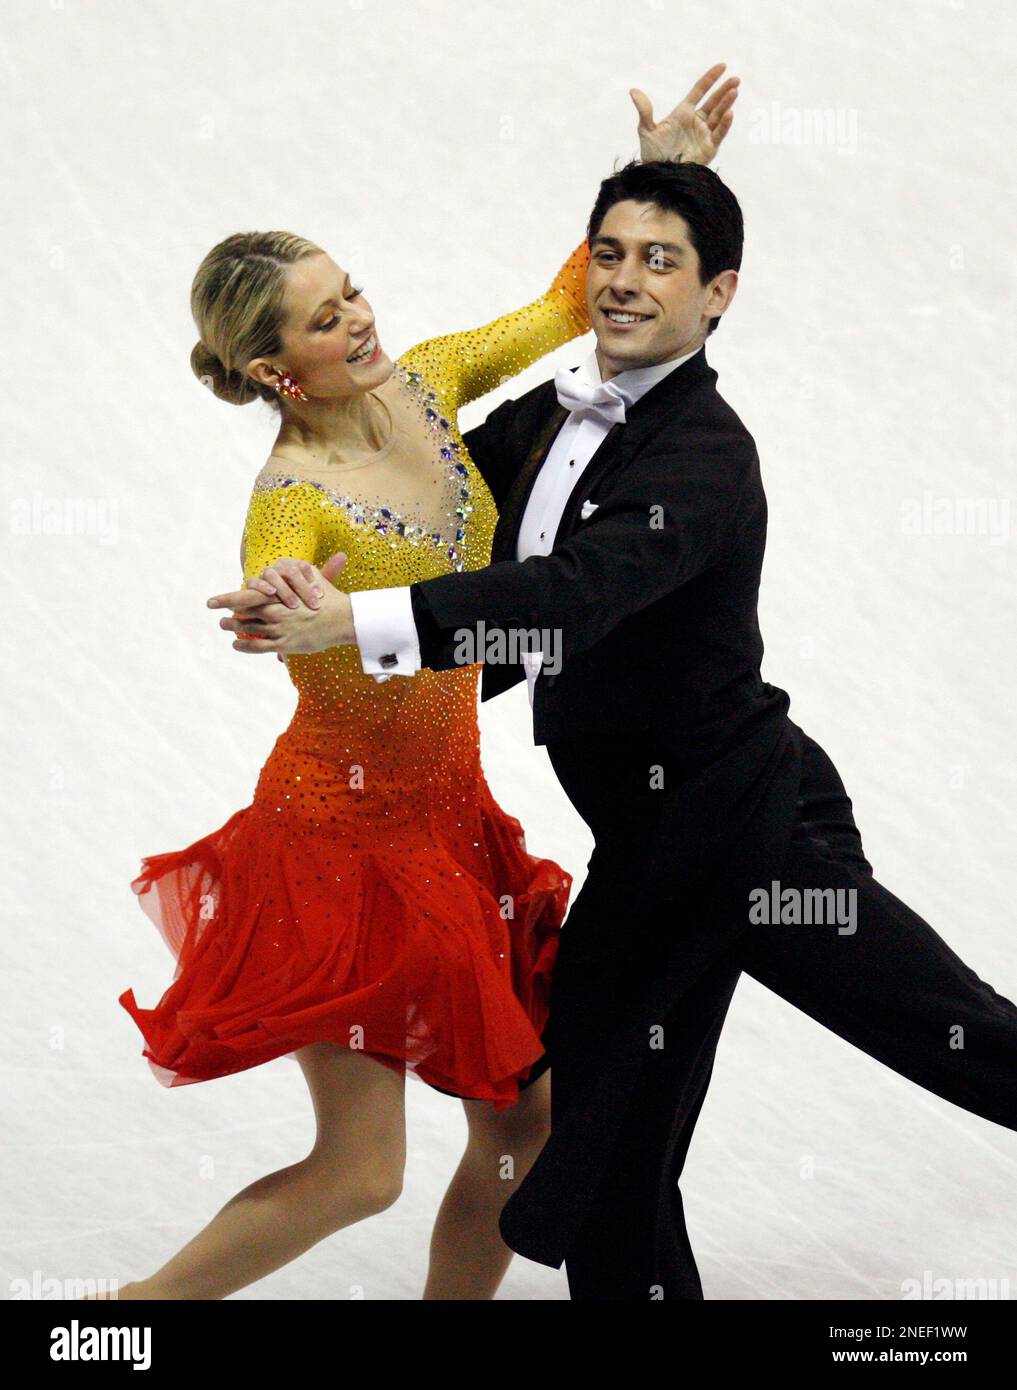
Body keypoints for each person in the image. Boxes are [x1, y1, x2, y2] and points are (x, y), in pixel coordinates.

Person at [213, 127, 1017, 1300]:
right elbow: (441, 527)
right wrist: (318, 564)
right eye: (612, 252)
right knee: (604, 1131)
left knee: (953, 1033)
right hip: (649, 844)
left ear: (718, 293)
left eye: (663, 259)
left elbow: (567, 597)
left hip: (745, 827)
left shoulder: (703, 454)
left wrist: (365, 623)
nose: (627, 279)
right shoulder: (545, 421)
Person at [111, 68, 741, 1302]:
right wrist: (284, 610)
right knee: (360, 1174)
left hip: (454, 829)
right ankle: (124, 1323)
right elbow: (281, 588)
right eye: (321, 318)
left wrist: (679, 172)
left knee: (525, 1130)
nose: (358, 318)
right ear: (270, 365)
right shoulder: (291, 499)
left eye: (350, 291)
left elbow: (574, 297)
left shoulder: (430, 381)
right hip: (339, 852)